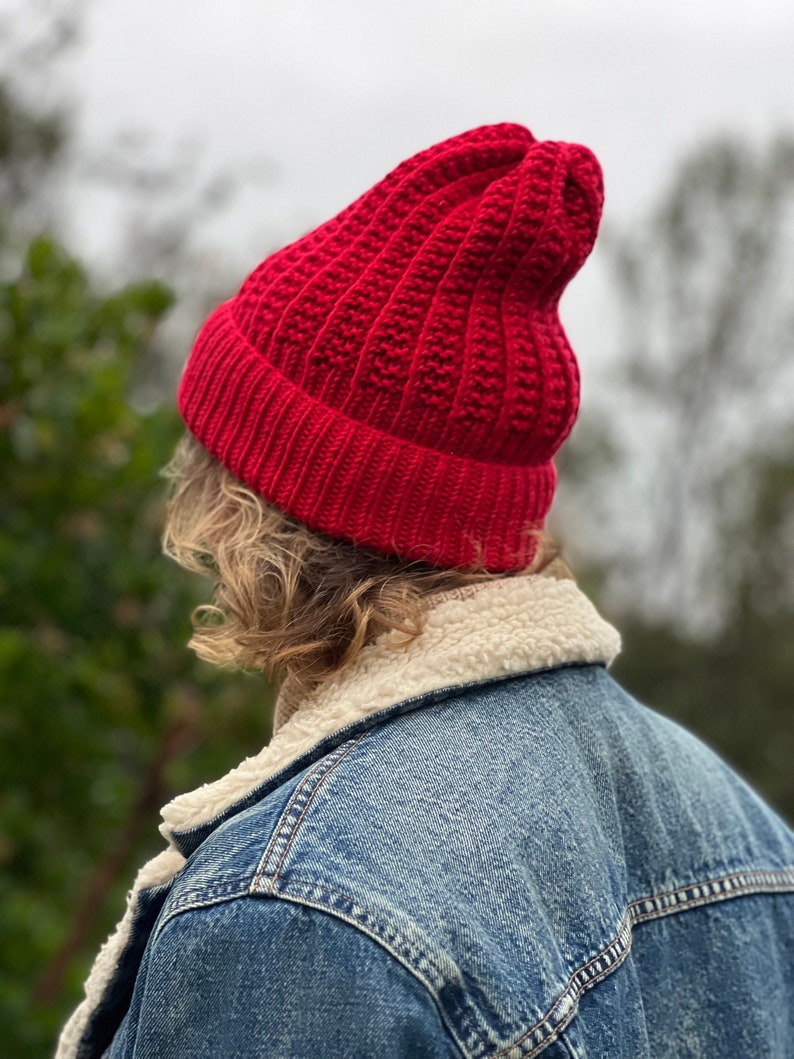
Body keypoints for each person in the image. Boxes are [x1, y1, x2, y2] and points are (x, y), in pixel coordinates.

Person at [58, 123, 794, 1058]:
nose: (191, 519)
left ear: (256, 512)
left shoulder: (295, 914)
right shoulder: (739, 828)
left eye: (208, 464)